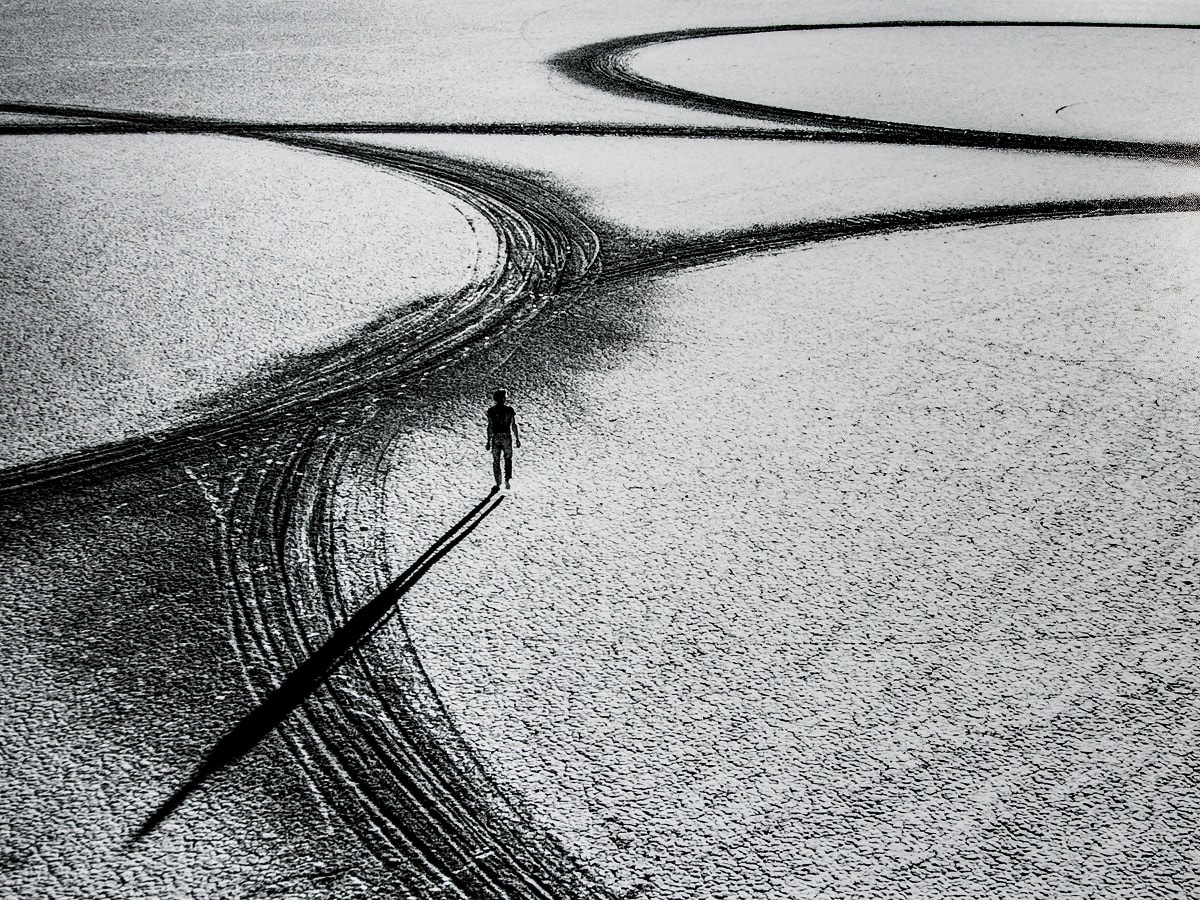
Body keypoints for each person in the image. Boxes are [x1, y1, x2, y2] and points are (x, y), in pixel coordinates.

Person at [485, 389, 520, 490]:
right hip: (506, 436)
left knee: (496, 459)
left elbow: (490, 426)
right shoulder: (509, 410)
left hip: (496, 437)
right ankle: (507, 480)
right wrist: (517, 438)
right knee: (508, 458)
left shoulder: (492, 411)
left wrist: (488, 440)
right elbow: (513, 425)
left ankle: (498, 482)